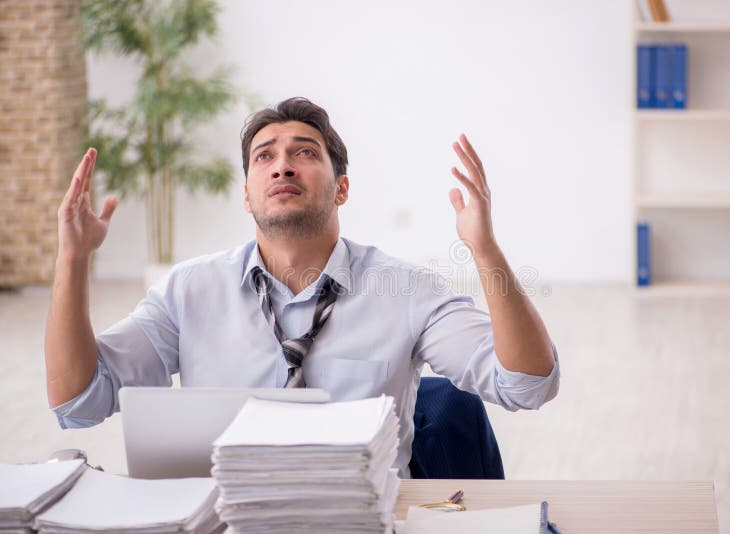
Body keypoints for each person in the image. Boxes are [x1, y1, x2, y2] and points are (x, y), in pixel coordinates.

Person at [45, 97, 560, 477]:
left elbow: (527, 383)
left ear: (341, 188)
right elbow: (79, 401)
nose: (283, 164)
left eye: (305, 152)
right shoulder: (188, 291)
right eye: (264, 156)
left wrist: (485, 250)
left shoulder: (407, 290)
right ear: (247, 196)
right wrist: (71, 261)